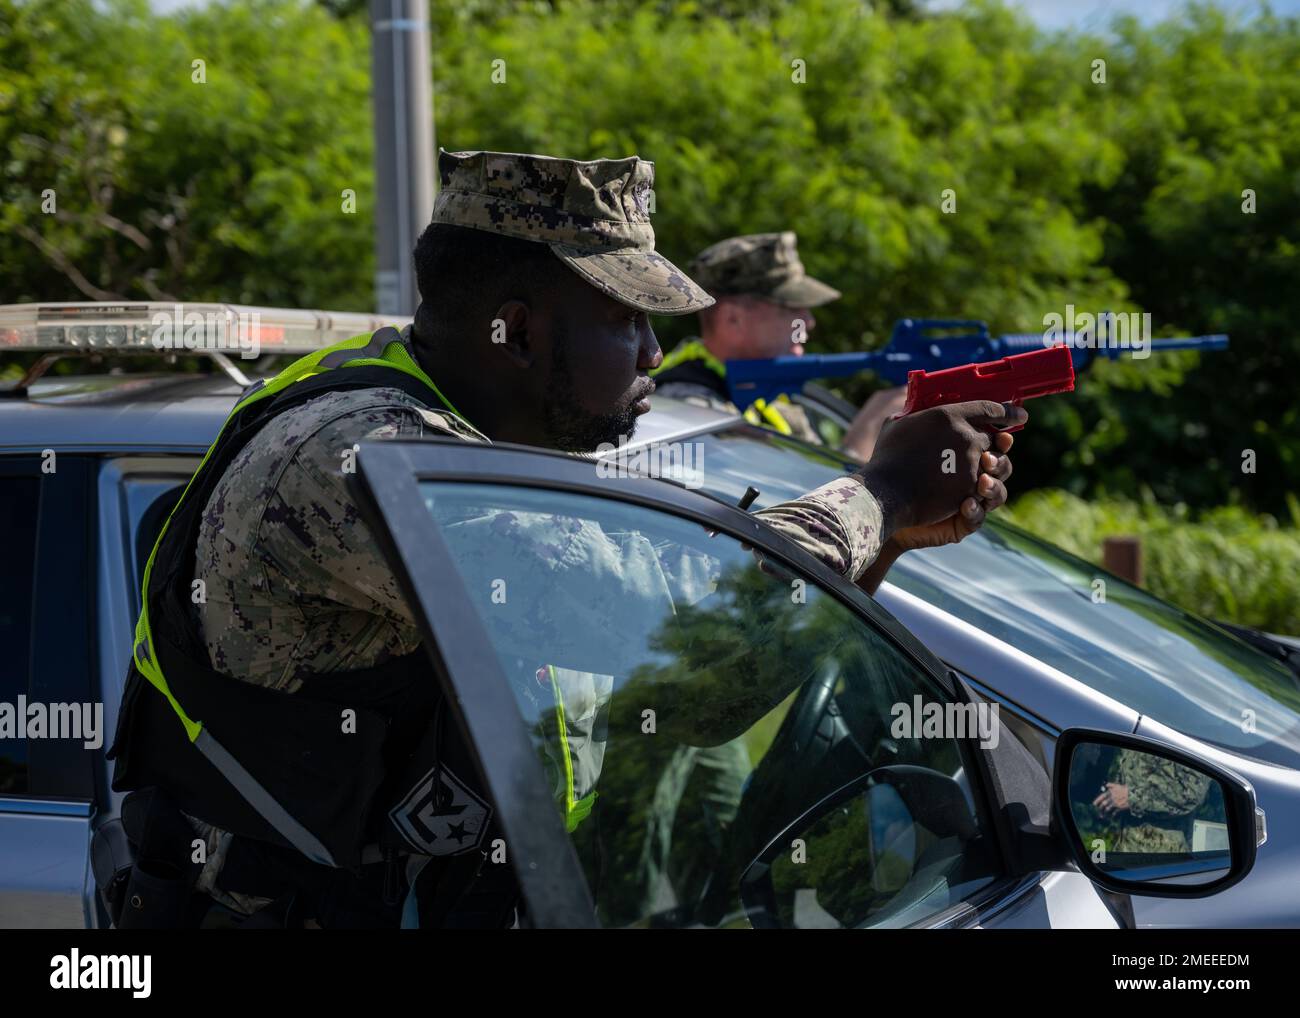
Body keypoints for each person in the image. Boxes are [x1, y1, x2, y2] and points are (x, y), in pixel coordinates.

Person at [107, 149, 1022, 929]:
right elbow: (693, 617)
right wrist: (882, 488)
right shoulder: (363, 454)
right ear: (516, 329)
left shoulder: (482, 449)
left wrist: (888, 536)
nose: (655, 355)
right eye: (625, 320)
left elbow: (699, 690)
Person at [651, 231, 905, 458]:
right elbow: (775, 505)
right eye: (792, 307)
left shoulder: (764, 398)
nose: (810, 320)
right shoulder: (686, 406)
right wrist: (867, 432)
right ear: (733, 319)